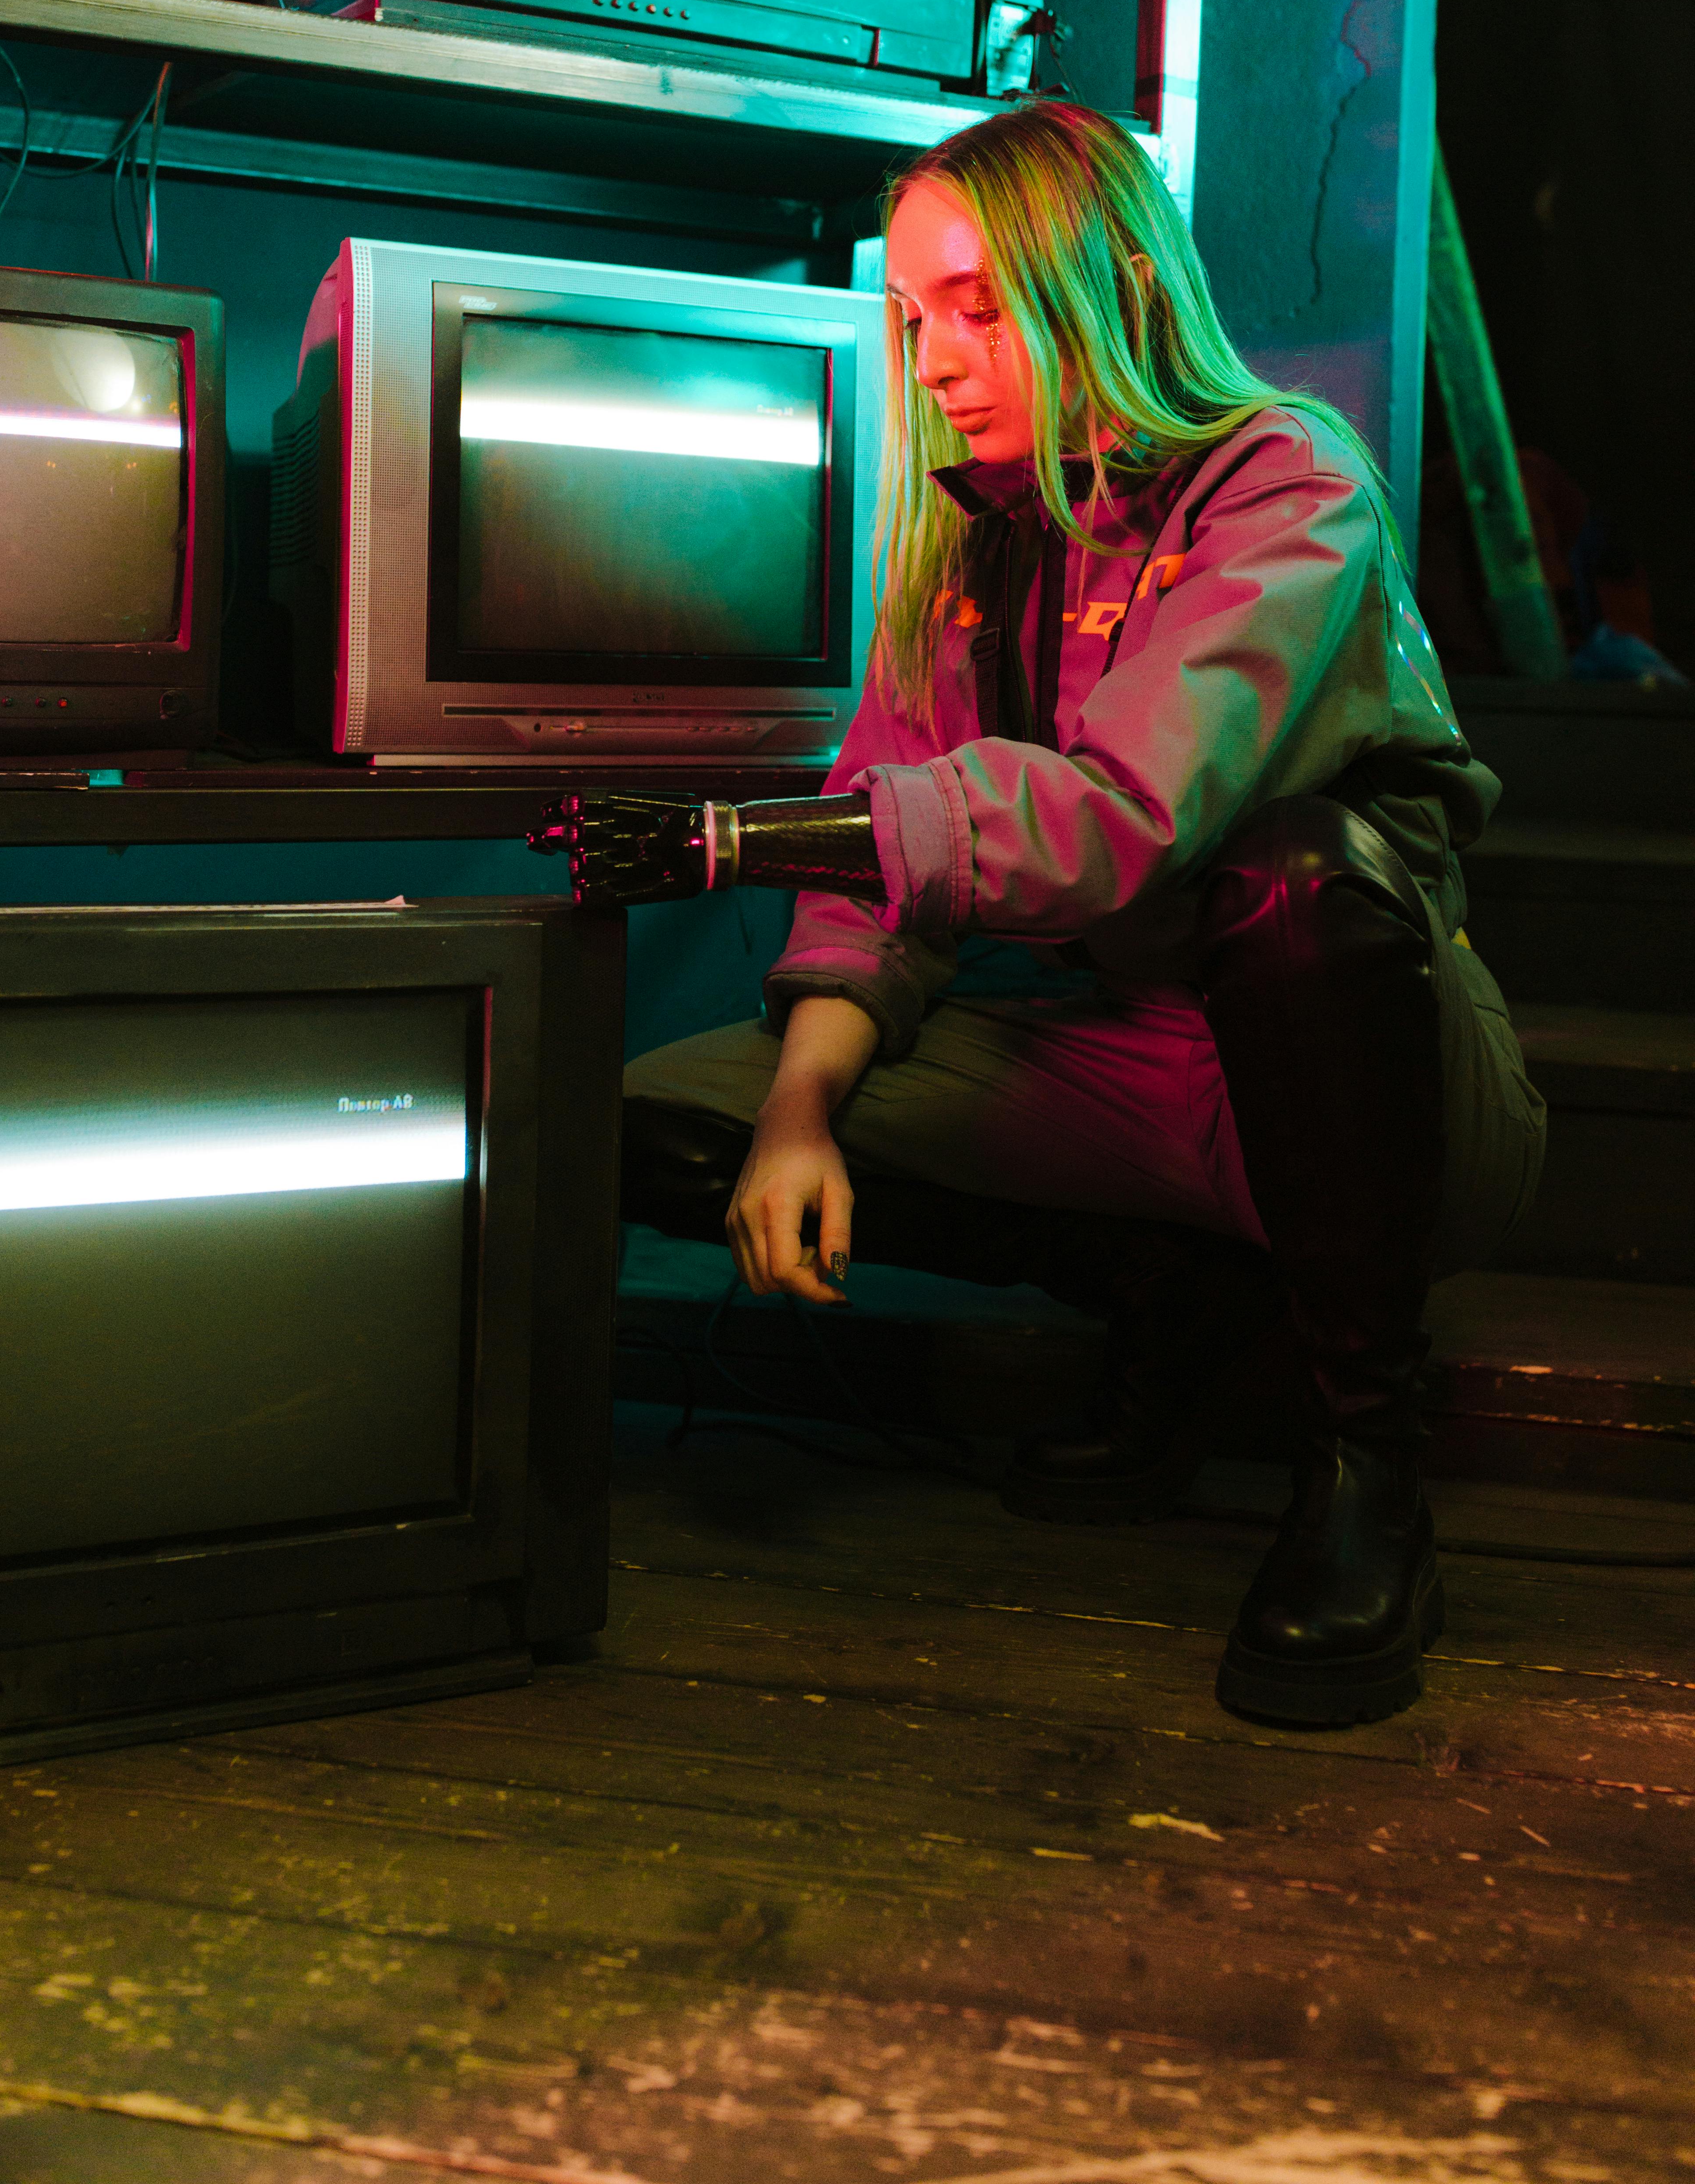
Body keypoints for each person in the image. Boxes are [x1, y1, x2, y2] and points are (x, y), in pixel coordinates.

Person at [533, 101, 1545, 1729]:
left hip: (1372, 1064)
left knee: (1295, 879)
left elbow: (1124, 817)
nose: (933, 360)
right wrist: (801, 1109)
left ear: (1117, 289)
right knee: (660, 1129)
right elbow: (887, 880)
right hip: (1129, 1067)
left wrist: (731, 841)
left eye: (981, 309)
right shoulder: (964, 541)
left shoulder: (1285, 487)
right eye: (915, 315)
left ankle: (1370, 1466)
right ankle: (1170, 1303)